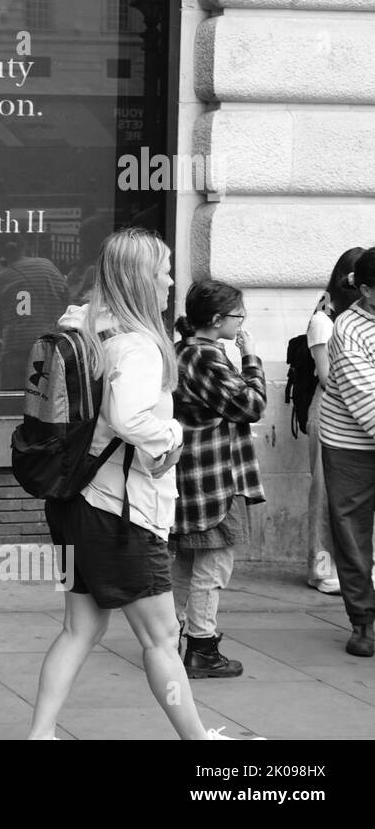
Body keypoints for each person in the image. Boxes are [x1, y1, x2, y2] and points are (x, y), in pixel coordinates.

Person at [28, 228, 244, 740]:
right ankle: (198, 742)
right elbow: (128, 417)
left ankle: (38, 736)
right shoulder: (140, 346)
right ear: (141, 278)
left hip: (74, 503)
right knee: (163, 637)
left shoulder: (83, 326)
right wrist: (171, 432)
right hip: (121, 515)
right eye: (164, 270)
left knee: (80, 628)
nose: (172, 280)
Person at [171, 280, 266, 678]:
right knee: (213, 564)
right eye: (237, 315)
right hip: (213, 478)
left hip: (193, 473)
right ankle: (202, 648)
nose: (241, 322)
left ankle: (170, 639)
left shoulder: (183, 351)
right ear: (215, 319)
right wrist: (251, 359)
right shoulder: (204, 356)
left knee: (186, 560)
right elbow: (251, 404)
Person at [319, 247, 375, 657]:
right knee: (353, 534)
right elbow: (366, 400)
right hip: (351, 444)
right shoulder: (347, 328)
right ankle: (363, 622)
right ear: (367, 290)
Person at [304, 248, 364, 594]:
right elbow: (326, 376)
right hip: (330, 413)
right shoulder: (324, 321)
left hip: (357, 413)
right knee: (324, 493)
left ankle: (353, 567)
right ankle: (322, 569)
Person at [0, 238, 69, 390]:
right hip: (47, 343)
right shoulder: (47, 266)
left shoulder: (0, 278)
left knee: (11, 400)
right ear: (25, 246)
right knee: (44, 399)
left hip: (15, 345)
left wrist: (0, 343)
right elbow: (65, 296)